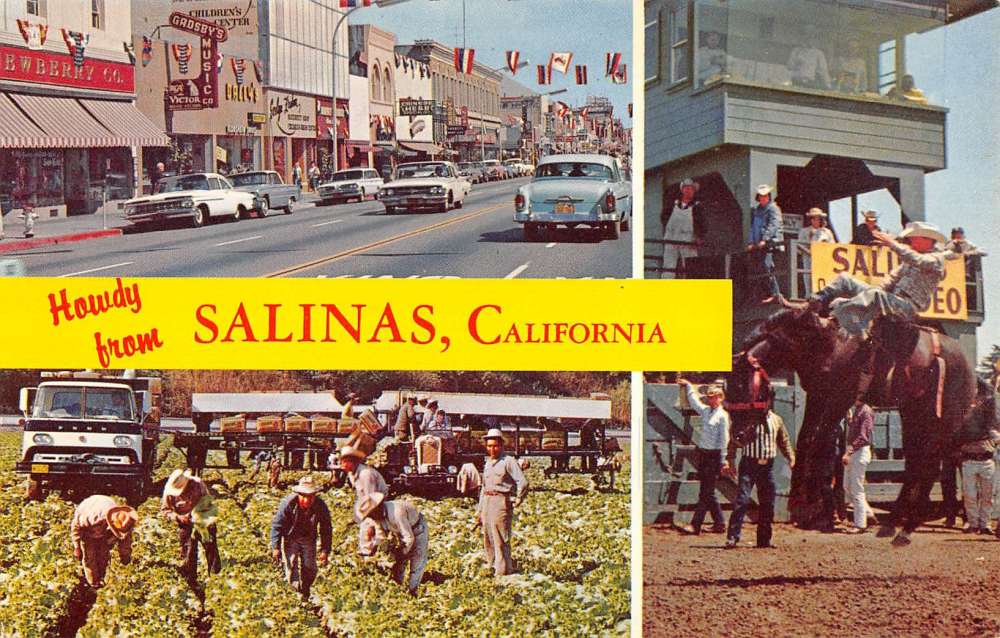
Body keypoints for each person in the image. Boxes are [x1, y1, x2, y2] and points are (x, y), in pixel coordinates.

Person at [808, 222, 948, 337]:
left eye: (913, 237)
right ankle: (815, 301)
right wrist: (870, 293)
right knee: (846, 279)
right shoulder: (910, 259)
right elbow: (892, 279)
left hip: (907, 307)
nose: (910, 240)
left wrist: (892, 244)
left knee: (875, 295)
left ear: (926, 239)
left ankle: (836, 319)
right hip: (890, 300)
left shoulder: (937, 259)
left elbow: (918, 260)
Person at [725, 406, 795, 549]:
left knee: (768, 502)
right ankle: (732, 537)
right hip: (749, 464)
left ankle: (764, 540)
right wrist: (730, 460)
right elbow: (733, 440)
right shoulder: (747, 419)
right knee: (742, 499)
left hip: (767, 466)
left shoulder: (776, 420)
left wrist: (791, 457)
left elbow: (784, 440)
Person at [677, 379, 729, 535]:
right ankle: (719, 523)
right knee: (708, 492)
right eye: (710, 397)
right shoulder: (706, 411)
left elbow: (724, 439)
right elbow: (694, 403)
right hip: (704, 455)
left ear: (721, 398)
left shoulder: (722, 416)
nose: (711, 399)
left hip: (714, 456)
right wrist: (688, 386)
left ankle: (696, 525)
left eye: (714, 397)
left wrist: (723, 460)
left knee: (705, 493)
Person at [270, 475, 332, 599]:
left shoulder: (321, 506)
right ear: (298, 494)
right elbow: (277, 525)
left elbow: (326, 529)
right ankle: (295, 593)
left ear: (315, 495)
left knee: (310, 566)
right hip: (290, 536)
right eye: (303, 496)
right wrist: (275, 547)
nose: (307, 500)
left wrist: (325, 550)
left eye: (310, 496)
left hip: (308, 538)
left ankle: (306, 589)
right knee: (291, 564)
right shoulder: (288, 504)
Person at [358, 493, 429, 595]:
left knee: (417, 559)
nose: (372, 518)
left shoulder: (396, 513)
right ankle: (398, 588)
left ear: (378, 508)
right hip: (399, 532)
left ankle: (413, 590)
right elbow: (380, 535)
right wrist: (374, 551)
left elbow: (409, 537)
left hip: (417, 529)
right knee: (399, 564)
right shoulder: (376, 517)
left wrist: (402, 552)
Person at [479, 428, 528, 575]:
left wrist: (518, 499)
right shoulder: (488, 463)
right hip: (487, 500)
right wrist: (479, 511)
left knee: (500, 537)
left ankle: (503, 571)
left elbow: (523, 482)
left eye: (495, 446)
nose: (492, 449)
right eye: (489, 446)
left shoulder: (508, 461)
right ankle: (492, 566)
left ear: (501, 446)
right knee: (488, 537)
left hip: (501, 501)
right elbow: (483, 488)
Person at [957, 379, 1000, 534]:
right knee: (970, 495)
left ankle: (985, 524)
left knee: (987, 495)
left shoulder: (986, 409)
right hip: (969, 458)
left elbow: (994, 428)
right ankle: (974, 523)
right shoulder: (962, 410)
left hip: (986, 458)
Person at [161, 469, 222, 578]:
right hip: (185, 524)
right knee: (188, 552)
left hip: (203, 520)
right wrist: (178, 517)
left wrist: (207, 518)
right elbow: (165, 511)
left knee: (211, 548)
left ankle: (215, 575)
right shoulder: (169, 492)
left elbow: (208, 502)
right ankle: (191, 578)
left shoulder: (197, 483)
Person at [71, 495, 138, 588]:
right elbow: (76, 526)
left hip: (103, 528)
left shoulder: (125, 521)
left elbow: (125, 541)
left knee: (103, 554)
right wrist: (77, 547)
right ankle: (94, 584)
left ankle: (101, 577)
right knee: (90, 557)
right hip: (87, 528)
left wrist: (125, 556)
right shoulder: (91, 518)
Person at [842, 399, 877, 533]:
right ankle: (867, 513)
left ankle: (860, 524)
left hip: (859, 452)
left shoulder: (866, 411)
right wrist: (851, 421)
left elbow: (863, 437)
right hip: (855, 452)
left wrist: (848, 452)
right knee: (848, 486)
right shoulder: (858, 410)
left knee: (856, 488)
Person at [660, 178, 702, 279]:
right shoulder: (673, 204)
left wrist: (699, 237)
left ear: (694, 191)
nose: (688, 190)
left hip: (688, 240)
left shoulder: (697, 207)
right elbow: (663, 216)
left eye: (691, 189)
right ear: (682, 190)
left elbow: (702, 223)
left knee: (690, 265)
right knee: (668, 267)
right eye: (686, 188)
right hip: (671, 238)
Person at [746, 184, 783, 301]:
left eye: (765, 195)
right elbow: (753, 227)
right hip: (758, 245)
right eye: (761, 196)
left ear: (768, 196)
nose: (763, 198)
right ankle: (766, 294)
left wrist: (765, 239)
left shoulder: (773, 208)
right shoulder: (757, 210)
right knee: (760, 268)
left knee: (767, 267)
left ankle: (775, 294)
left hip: (769, 244)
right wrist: (751, 242)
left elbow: (774, 225)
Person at [339, 445, 387, 522]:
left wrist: (368, 520)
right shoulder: (351, 473)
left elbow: (371, 499)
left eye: (345, 462)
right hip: (366, 504)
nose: (342, 465)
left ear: (352, 462)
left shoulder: (366, 474)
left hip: (378, 507)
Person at [797, 208, 835, 296]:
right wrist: (808, 250)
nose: (815, 220)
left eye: (817, 218)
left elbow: (833, 246)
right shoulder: (804, 231)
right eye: (813, 218)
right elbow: (799, 246)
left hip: (822, 259)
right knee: (808, 277)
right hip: (808, 258)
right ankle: (809, 296)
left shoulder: (827, 232)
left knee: (822, 277)